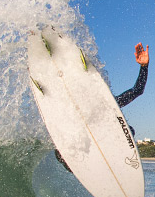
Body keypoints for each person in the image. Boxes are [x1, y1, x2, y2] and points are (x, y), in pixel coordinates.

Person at [55, 42, 149, 171]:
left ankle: (117, 162)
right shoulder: (73, 108)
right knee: (59, 151)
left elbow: (137, 90)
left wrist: (144, 66)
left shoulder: (108, 105)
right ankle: (79, 168)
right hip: (83, 144)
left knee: (130, 130)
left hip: (107, 144)